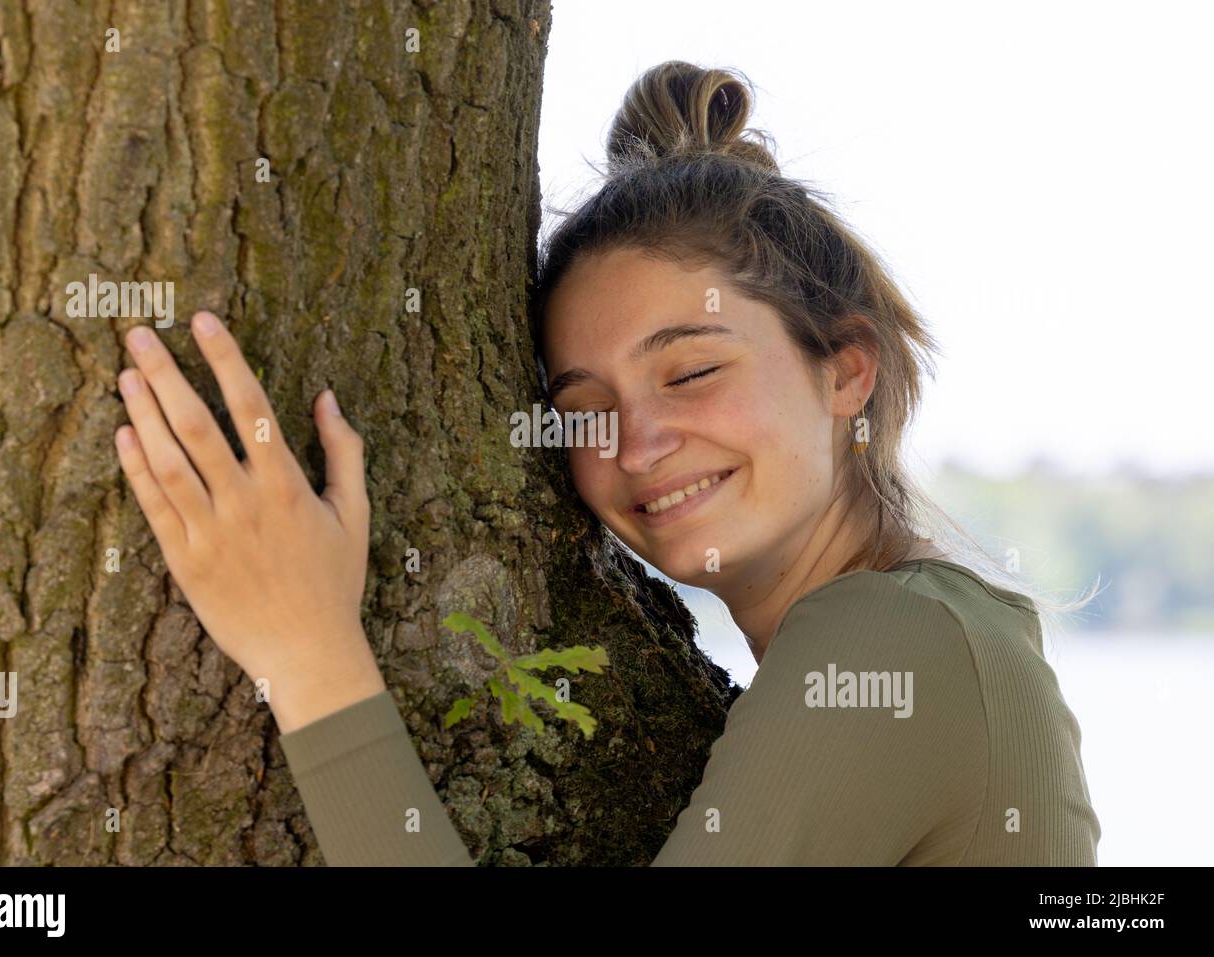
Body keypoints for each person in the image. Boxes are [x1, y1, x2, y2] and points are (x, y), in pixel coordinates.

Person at [112, 61, 1100, 866]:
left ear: (845, 369)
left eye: (691, 371)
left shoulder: (893, 645)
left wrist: (306, 653)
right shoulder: (923, 632)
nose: (636, 444)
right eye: (581, 411)